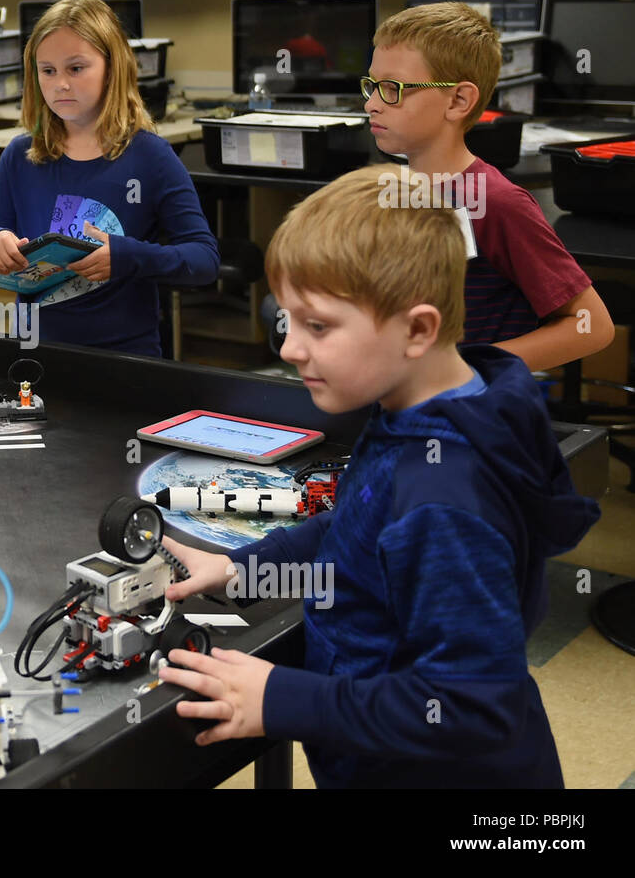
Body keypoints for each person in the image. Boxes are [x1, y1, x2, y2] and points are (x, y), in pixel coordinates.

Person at [158, 165, 600, 788]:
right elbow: (359, 524)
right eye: (288, 319)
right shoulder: (421, 410)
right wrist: (241, 568)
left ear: (417, 328)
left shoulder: (445, 496)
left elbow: (474, 704)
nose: (288, 347)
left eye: (318, 325)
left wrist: (283, 699)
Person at [363, 1, 614, 370]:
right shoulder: (390, 191)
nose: (371, 104)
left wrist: (468, 370)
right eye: (371, 85)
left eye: (392, 88)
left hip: (466, 412)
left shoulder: (496, 202)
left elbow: (591, 327)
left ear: (459, 100)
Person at [0, 0, 218, 357]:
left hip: (125, 355)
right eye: (48, 70)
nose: (61, 84)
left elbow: (203, 261)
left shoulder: (150, 156)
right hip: (36, 354)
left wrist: (125, 256)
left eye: (76, 68)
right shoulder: (19, 157)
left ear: (112, 68)